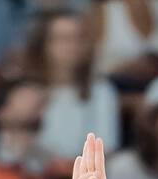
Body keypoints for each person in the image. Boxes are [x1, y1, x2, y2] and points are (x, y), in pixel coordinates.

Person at [25, 9, 121, 161]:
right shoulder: (25, 91)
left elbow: (107, 147)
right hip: (36, 176)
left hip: (87, 176)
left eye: (80, 38)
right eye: (64, 39)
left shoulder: (102, 90)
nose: (73, 46)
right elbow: (20, 145)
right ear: (44, 45)